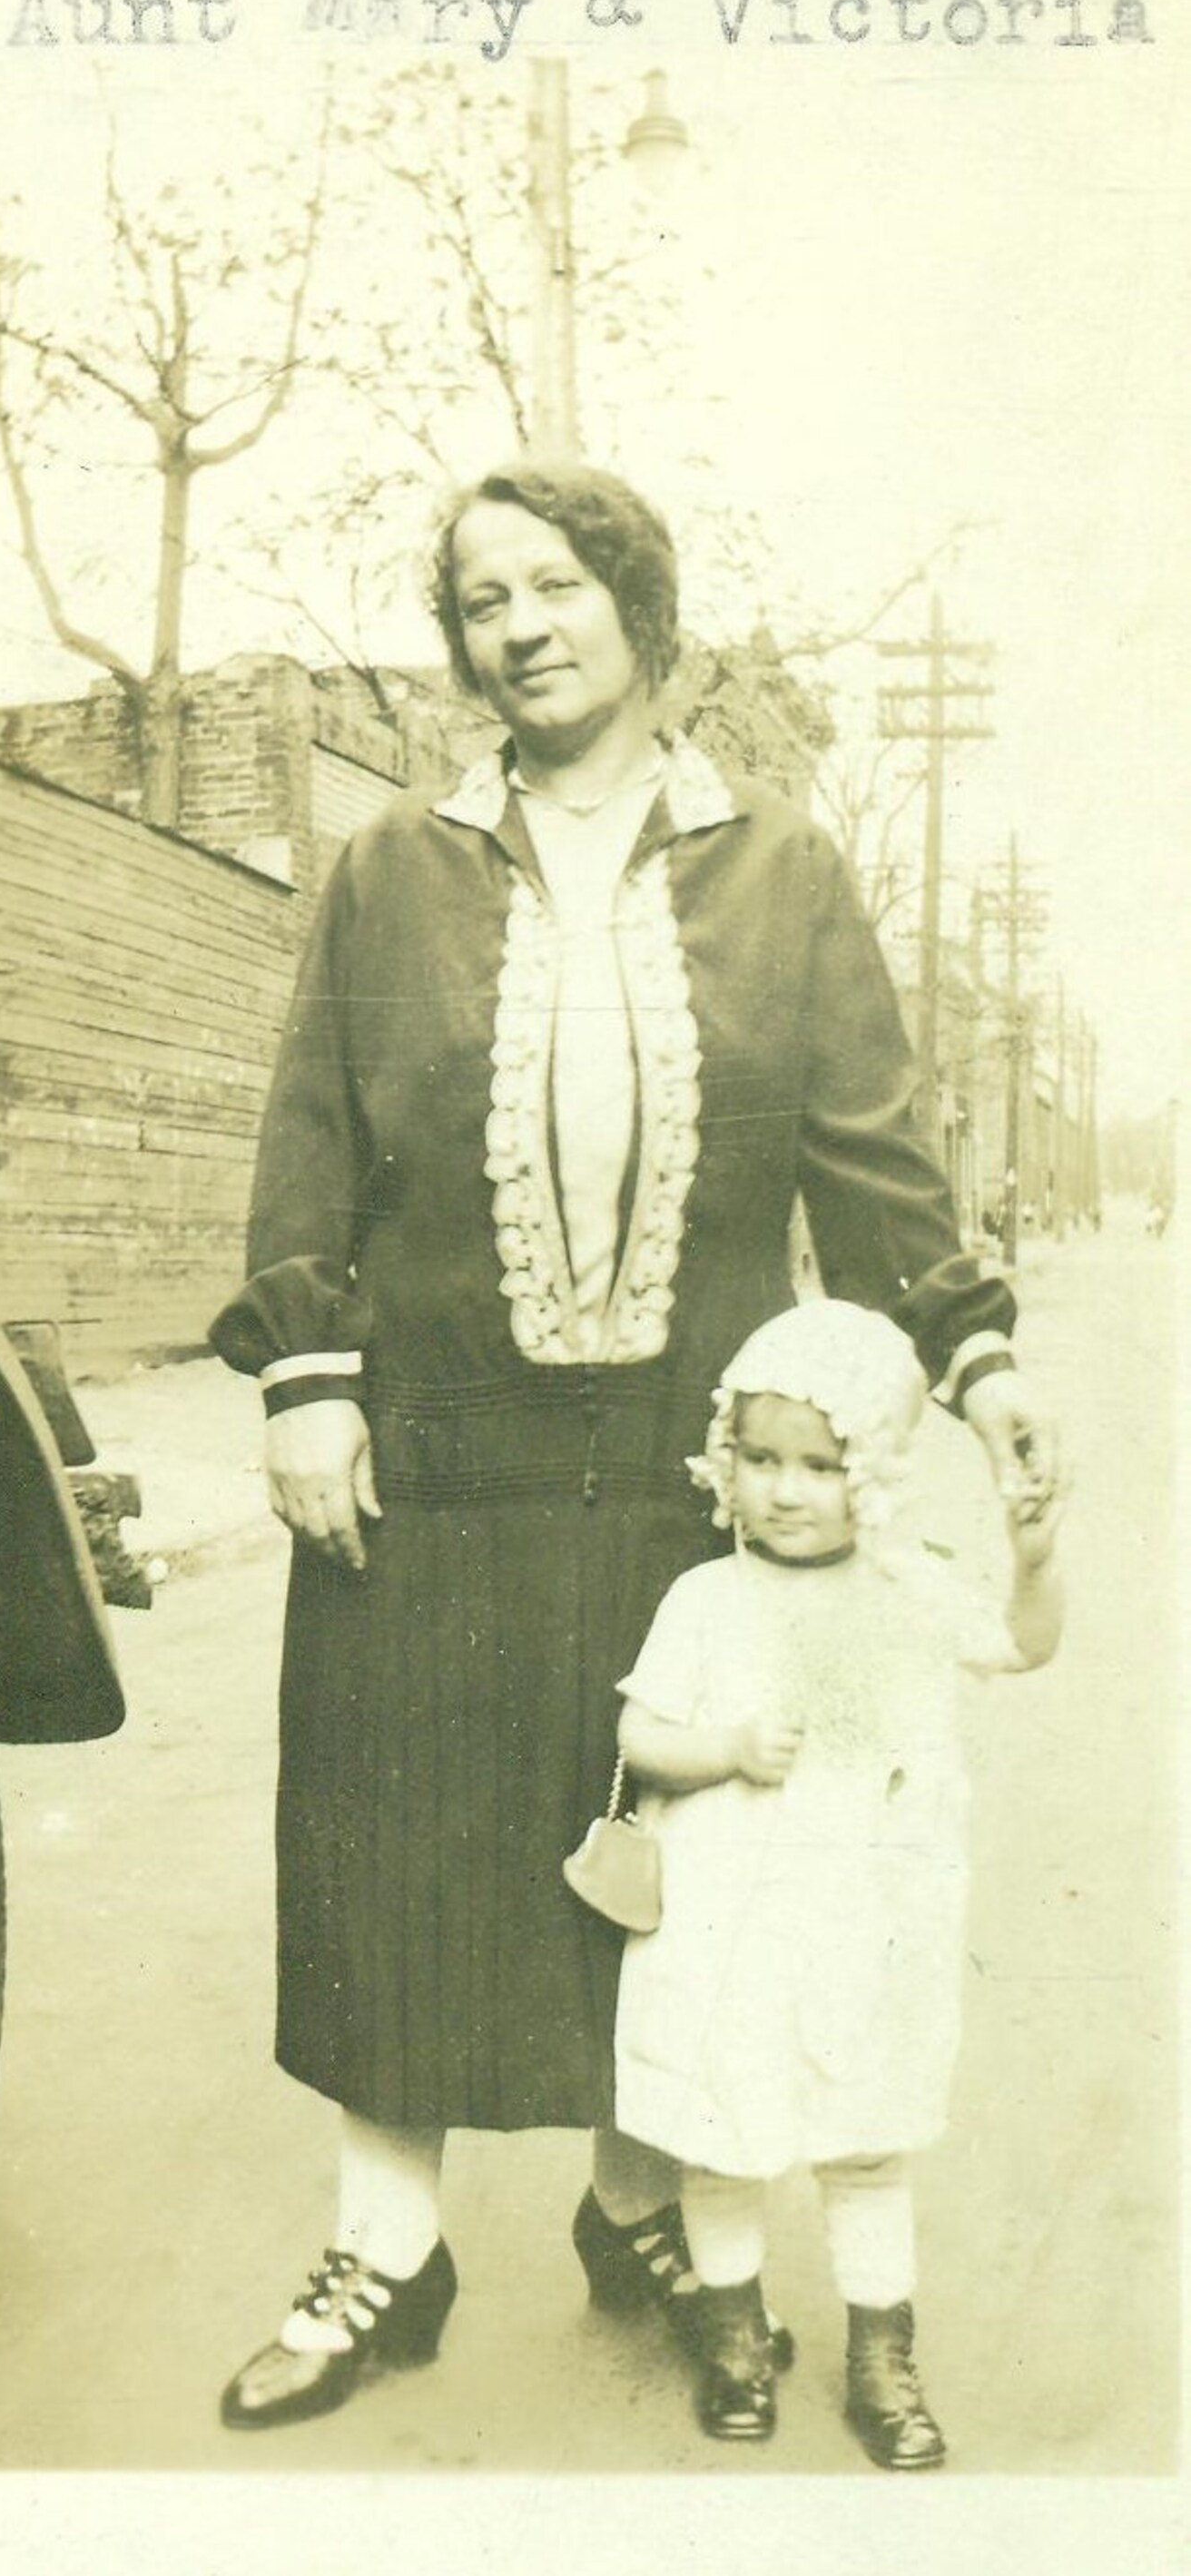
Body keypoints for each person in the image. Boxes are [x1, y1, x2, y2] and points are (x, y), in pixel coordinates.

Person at [208, 461, 1059, 2433]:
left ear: (633, 600)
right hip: (432, 1445)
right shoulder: (387, 869)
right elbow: (314, 1126)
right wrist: (306, 1375)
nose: (517, 624)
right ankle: (386, 2249)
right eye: (478, 598)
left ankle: (640, 2207)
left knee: (672, 1850)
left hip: (681, 1468)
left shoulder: (779, 868)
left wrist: (977, 1359)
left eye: (553, 583)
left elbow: (866, 1157)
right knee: (395, 1847)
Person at [614, 1296, 1064, 2469]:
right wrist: (723, 1750)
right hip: (728, 1925)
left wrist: (1033, 1555)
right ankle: (733, 2336)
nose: (784, 1488)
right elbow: (642, 1738)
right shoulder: (704, 1598)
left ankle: (880, 2353)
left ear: (869, 1471)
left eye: (819, 1463)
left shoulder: (906, 1590)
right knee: (726, 2133)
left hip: (867, 1922)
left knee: (865, 2140)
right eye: (759, 1458)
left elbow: (1023, 1643)